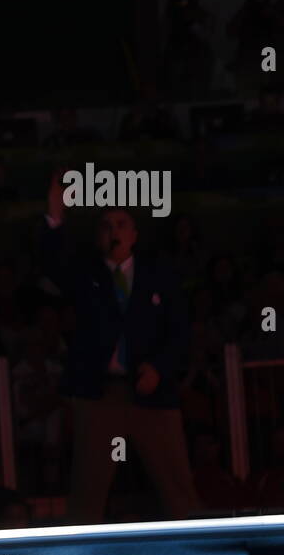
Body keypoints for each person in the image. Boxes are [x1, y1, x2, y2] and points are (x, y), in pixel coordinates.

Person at [41, 197, 201, 524]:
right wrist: (55, 216)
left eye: (121, 224)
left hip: (152, 394)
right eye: (105, 226)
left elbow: (180, 332)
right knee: (87, 491)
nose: (113, 231)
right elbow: (52, 263)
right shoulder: (86, 276)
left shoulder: (160, 275)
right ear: (97, 237)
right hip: (100, 395)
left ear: (135, 234)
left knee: (178, 488)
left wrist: (159, 368)